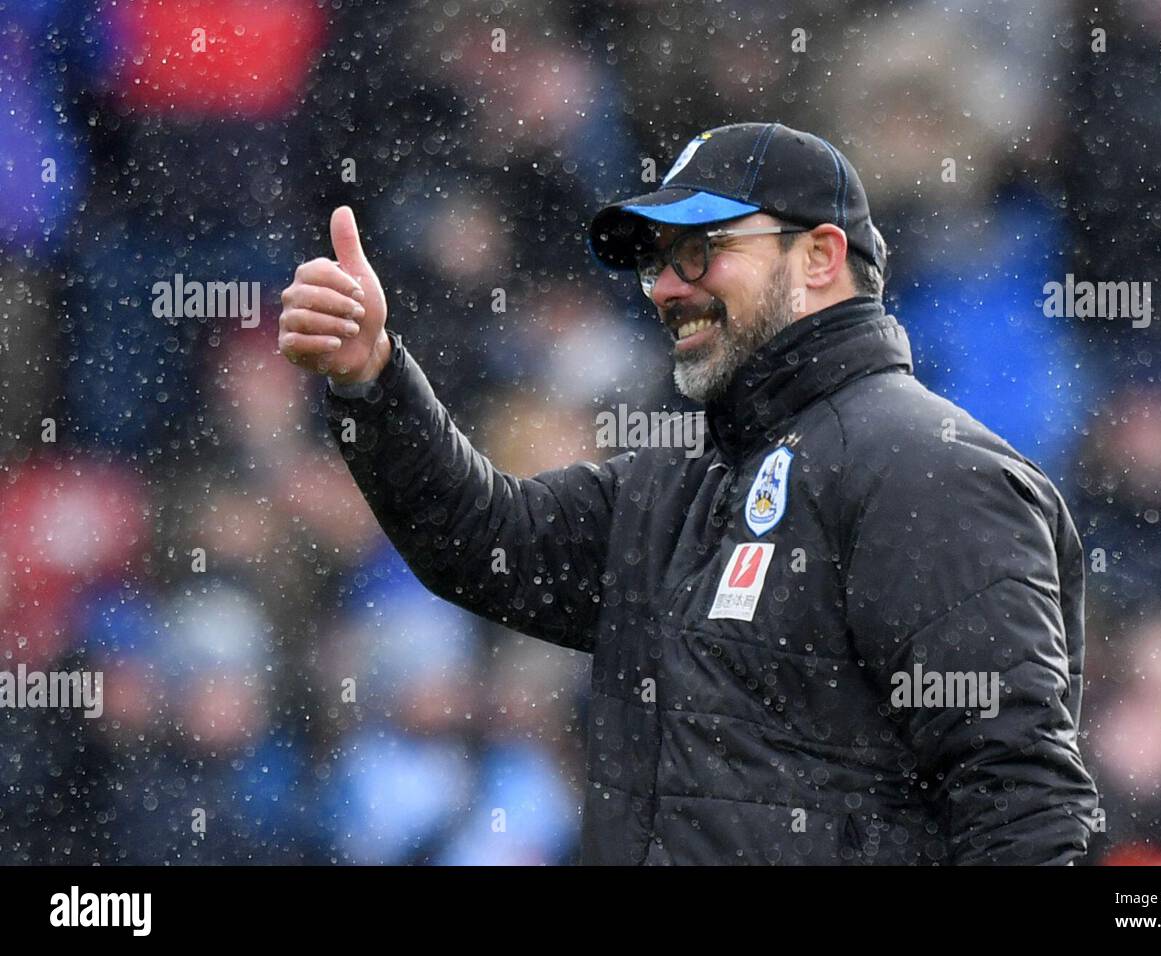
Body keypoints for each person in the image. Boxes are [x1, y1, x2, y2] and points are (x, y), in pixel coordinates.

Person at [278, 121, 1098, 865]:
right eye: (656, 261)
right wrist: (372, 378)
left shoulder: (932, 473)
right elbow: (484, 541)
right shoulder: (675, 485)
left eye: (700, 250)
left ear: (819, 257)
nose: (667, 287)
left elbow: (1024, 807)